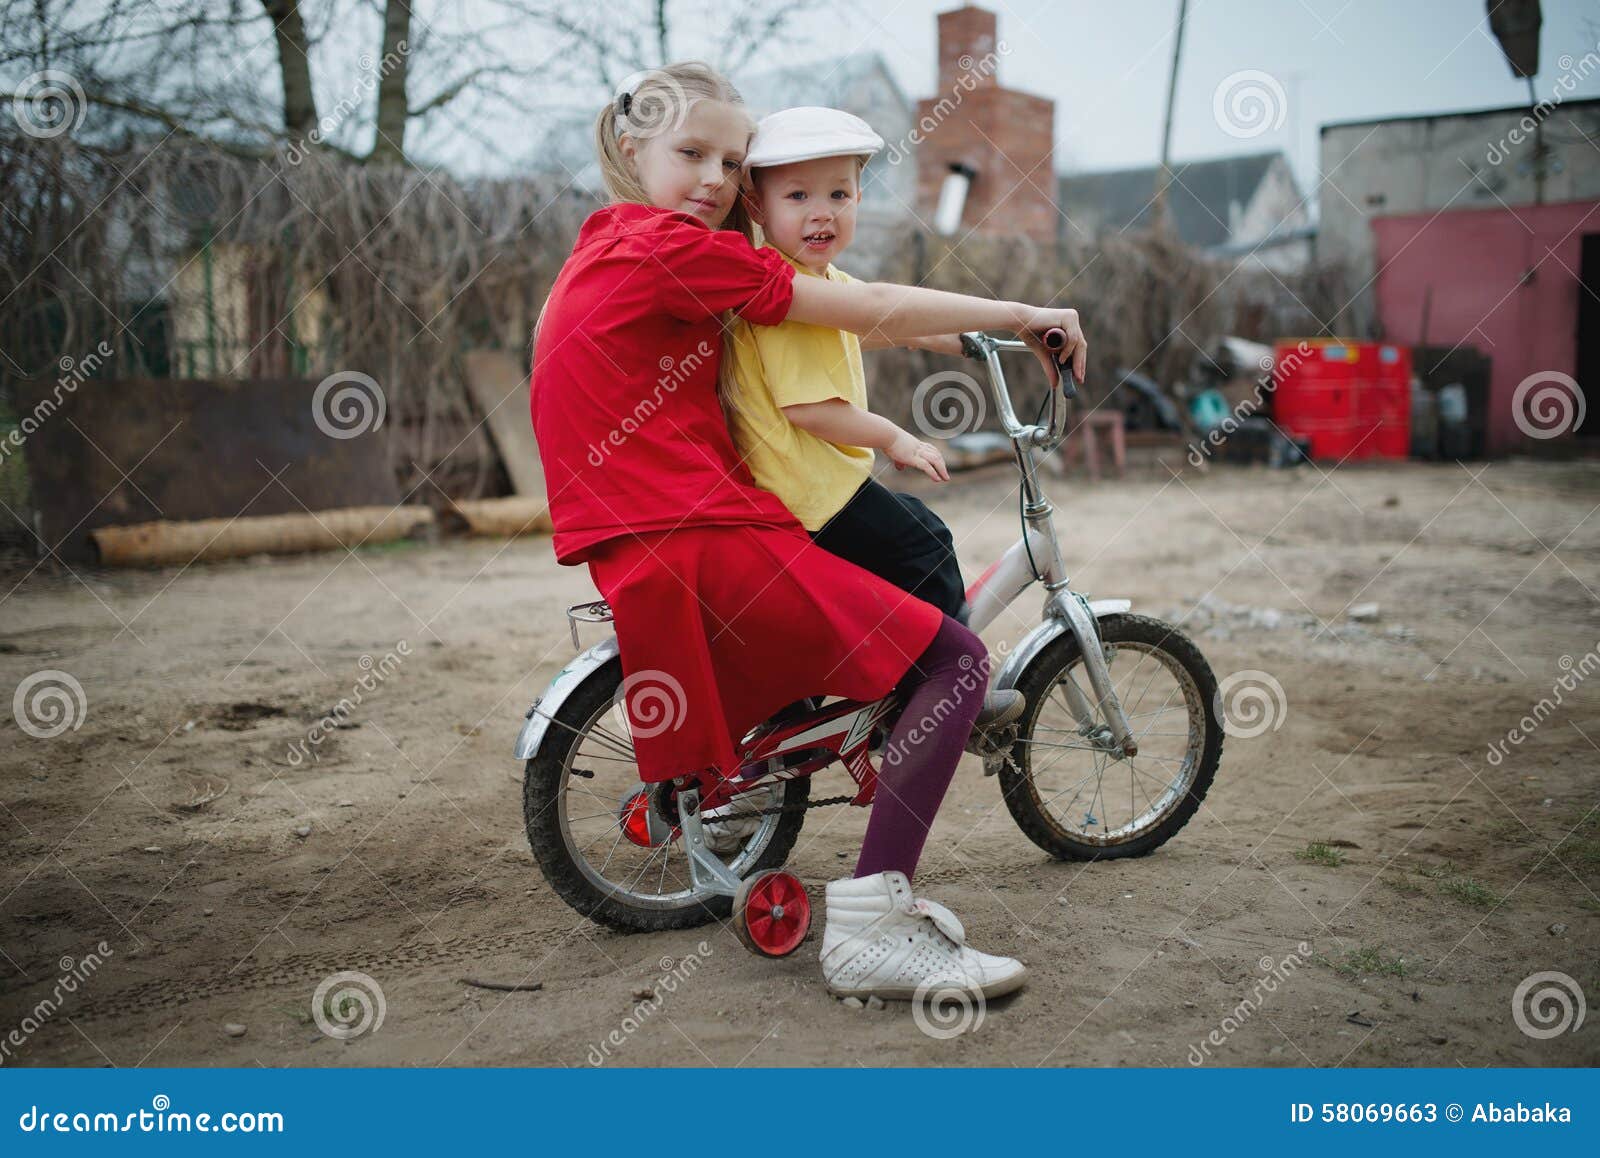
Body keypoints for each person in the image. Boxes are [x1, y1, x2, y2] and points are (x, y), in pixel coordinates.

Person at [529, 62, 1086, 1001]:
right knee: (954, 667)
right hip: (695, 526)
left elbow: (859, 312)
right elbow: (870, 309)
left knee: (908, 637)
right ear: (632, 150)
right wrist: (1024, 314)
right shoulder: (676, 251)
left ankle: (856, 778)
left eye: (730, 162)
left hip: (656, 526)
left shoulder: (617, 244)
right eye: (690, 154)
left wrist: (961, 333)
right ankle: (872, 926)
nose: (713, 179)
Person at [720, 105, 1022, 733]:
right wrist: (896, 438)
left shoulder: (812, 276)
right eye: (798, 195)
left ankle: (887, 685)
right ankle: (934, 695)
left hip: (807, 487)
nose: (821, 211)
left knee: (879, 580)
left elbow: (876, 318)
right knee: (924, 542)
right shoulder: (785, 293)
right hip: (810, 492)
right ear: (756, 206)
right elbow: (808, 408)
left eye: (839, 192)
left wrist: (956, 339)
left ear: (860, 196)